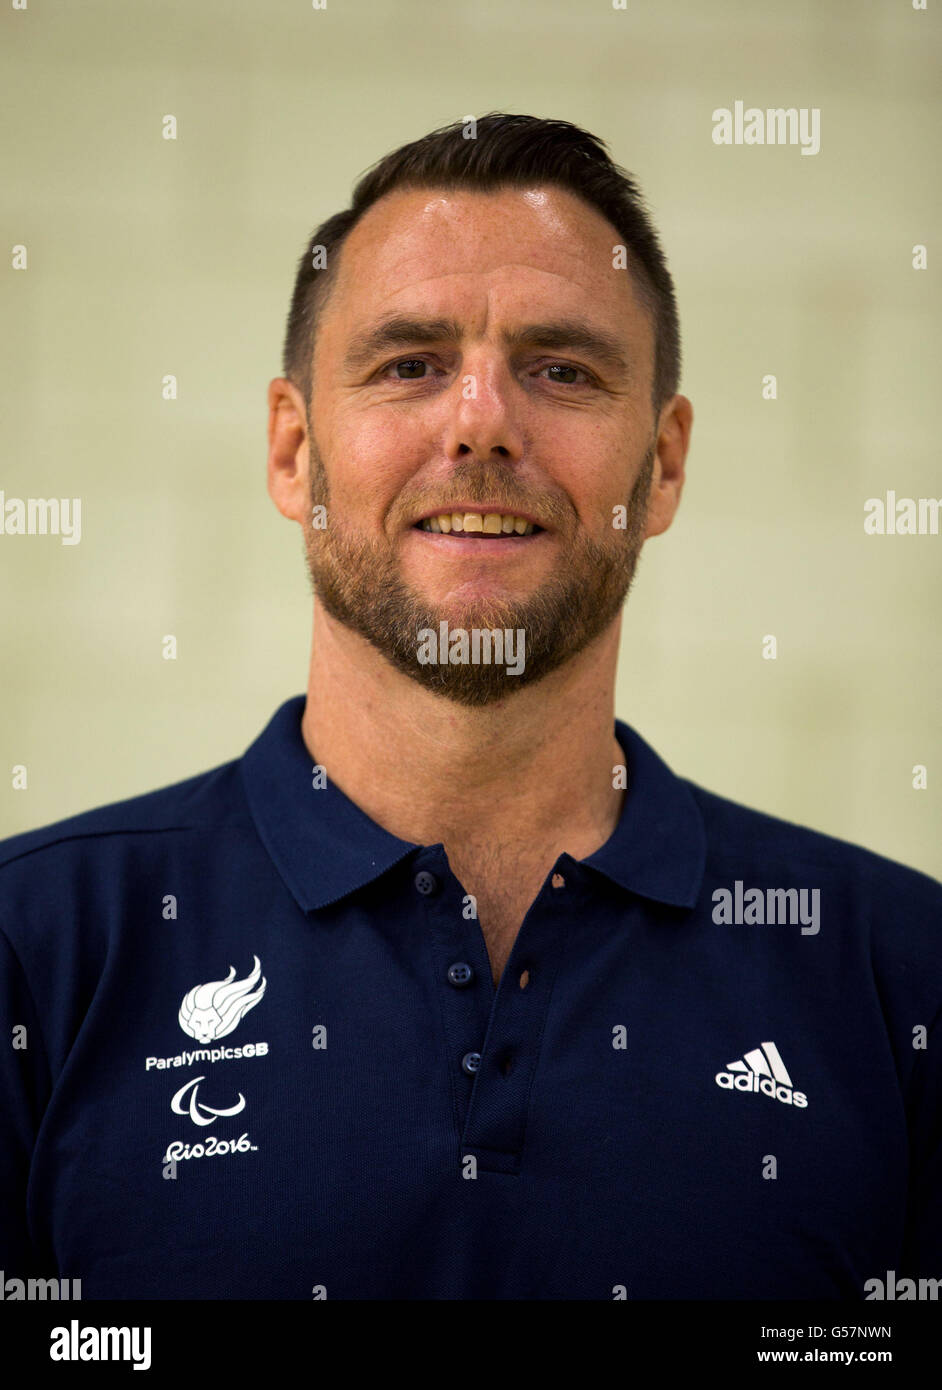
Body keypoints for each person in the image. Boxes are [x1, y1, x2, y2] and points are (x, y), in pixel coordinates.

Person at [1, 113, 939, 1301]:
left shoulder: (898, 975)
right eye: (409, 365)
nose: (482, 420)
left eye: (562, 370)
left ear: (665, 461)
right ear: (295, 453)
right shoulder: (37, 954)